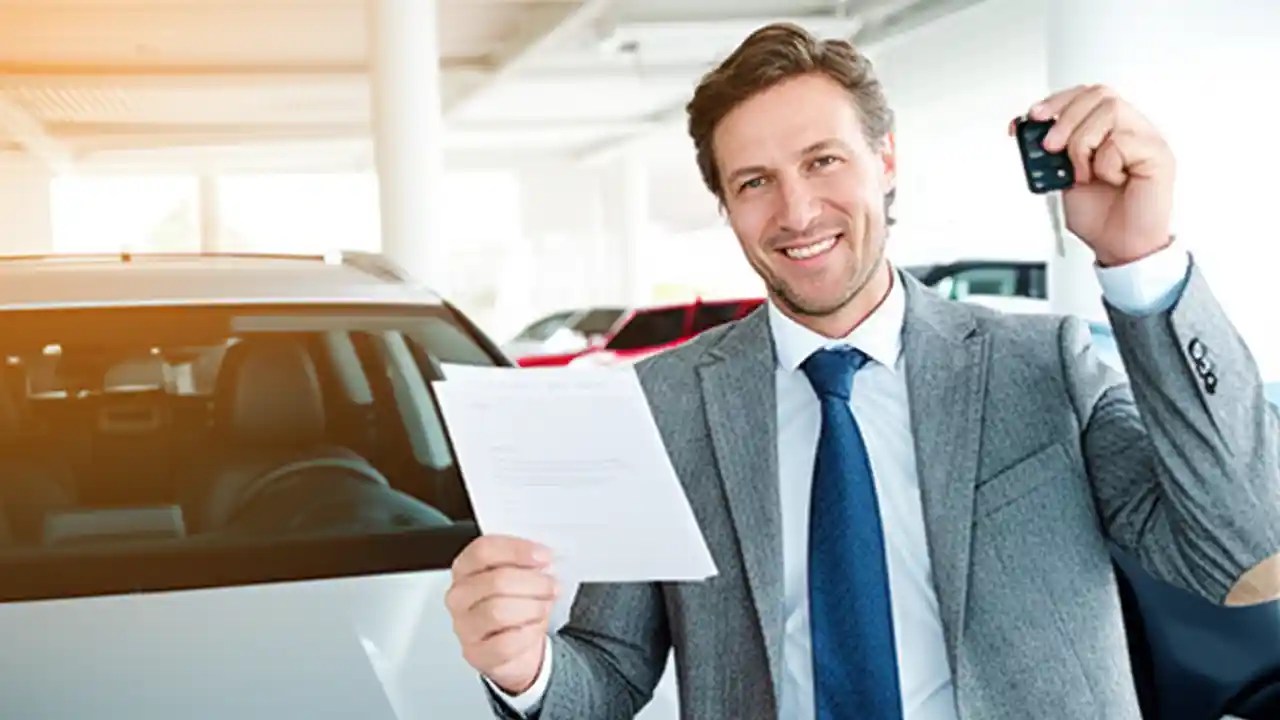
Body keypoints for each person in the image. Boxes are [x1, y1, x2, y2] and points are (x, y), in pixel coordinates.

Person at [445, 22, 1280, 720]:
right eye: (755, 181)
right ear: (725, 205)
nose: (798, 211)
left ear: (885, 160)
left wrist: (1137, 259)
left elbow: (1245, 550)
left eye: (823, 161)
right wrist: (526, 670)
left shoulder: (1044, 368)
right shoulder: (665, 407)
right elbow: (611, 674)